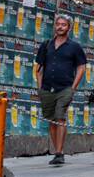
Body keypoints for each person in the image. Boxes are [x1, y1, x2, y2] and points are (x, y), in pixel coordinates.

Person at [34, 14, 86, 166]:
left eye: (63, 24)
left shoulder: (74, 47)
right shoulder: (46, 45)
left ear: (69, 28)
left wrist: (73, 88)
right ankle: (56, 150)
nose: (60, 27)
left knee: (60, 118)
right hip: (47, 88)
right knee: (51, 120)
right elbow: (39, 67)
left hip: (65, 88)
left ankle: (59, 152)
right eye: (58, 24)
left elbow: (81, 67)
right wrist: (40, 87)